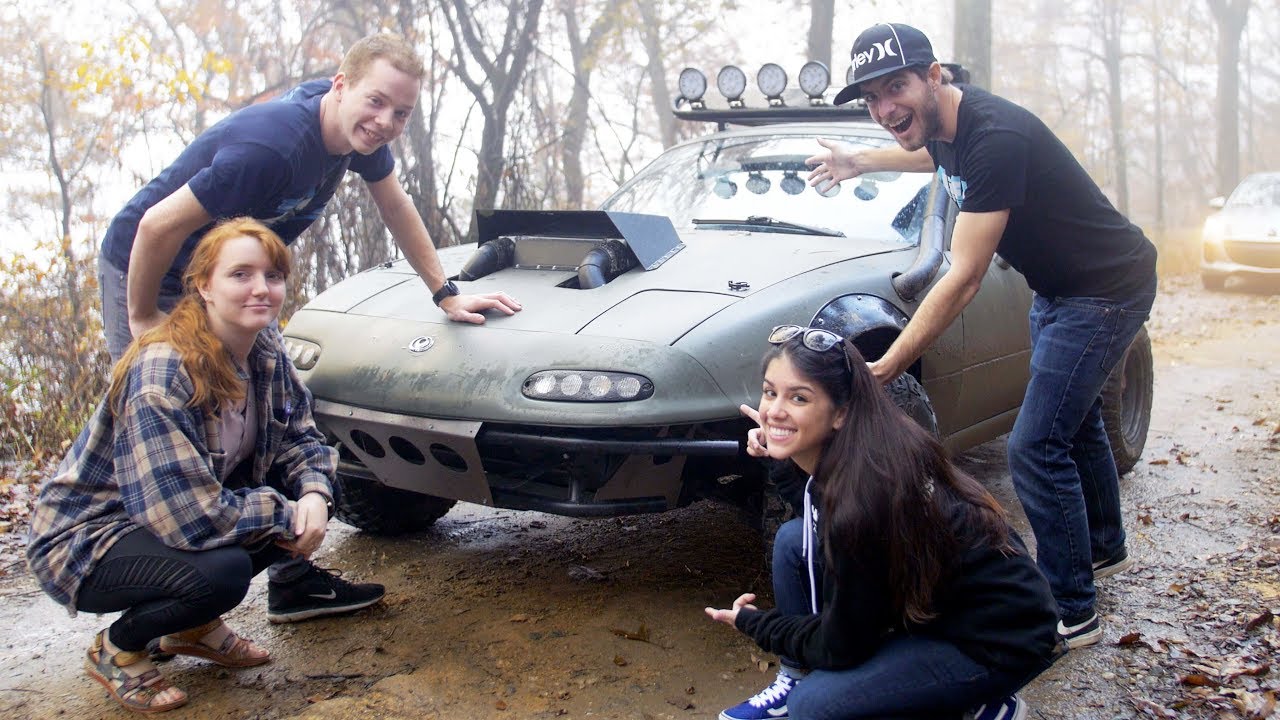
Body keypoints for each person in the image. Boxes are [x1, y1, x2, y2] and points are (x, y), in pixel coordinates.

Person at [97, 32, 522, 622]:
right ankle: (173, 612)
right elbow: (153, 226)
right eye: (376, 103)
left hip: (235, 281)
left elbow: (395, 205)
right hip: (152, 271)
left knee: (282, 408)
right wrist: (144, 317)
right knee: (176, 427)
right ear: (339, 86)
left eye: (401, 112)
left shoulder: (356, 137)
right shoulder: (271, 149)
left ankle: (294, 581)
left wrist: (445, 292)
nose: (385, 121)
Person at [806, 22, 1157, 649]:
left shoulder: (996, 138)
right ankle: (1103, 547)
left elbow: (963, 275)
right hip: (1061, 288)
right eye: (872, 98)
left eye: (897, 88)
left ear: (934, 76)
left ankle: (1072, 608)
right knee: (1072, 425)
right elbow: (925, 155)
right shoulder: (947, 129)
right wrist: (859, 158)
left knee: (1035, 445)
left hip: (1106, 290)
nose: (886, 109)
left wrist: (891, 362)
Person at [27, 219, 349, 712]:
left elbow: (300, 436)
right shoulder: (164, 370)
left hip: (168, 515)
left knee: (315, 494)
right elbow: (188, 516)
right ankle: (118, 648)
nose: (261, 289)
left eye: (273, 275)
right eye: (240, 275)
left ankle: (193, 626)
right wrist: (287, 514)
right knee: (222, 571)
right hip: (88, 538)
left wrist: (313, 495)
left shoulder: (262, 346)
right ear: (204, 286)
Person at [705, 325, 1061, 720]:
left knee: (815, 708)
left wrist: (759, 624)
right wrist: (780, 457)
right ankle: (799, 677)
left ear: (840, 413)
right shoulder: (858, 450)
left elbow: (842, 644)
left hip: (996, 641)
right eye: (771, 392)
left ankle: (980, 703)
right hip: (939, 606)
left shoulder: (866, 495)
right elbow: (817, 516)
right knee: (793, 539)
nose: (774, 410)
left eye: (799, 398)